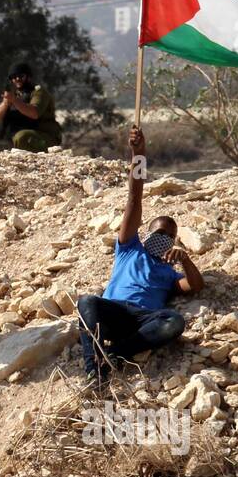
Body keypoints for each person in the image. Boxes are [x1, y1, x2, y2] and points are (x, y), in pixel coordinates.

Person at [77, 125, 205, 383]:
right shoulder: (129, 248)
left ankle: (113, 354)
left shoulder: (169, 272)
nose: (162, 238)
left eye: (168, 235)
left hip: (143, 320)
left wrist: (185, 259)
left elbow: (195, 285)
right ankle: (93, 367)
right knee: (87, 302)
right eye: (157, 232)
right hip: (114, 311)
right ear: (145, 234)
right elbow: (134, 199)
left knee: (174, 321)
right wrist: (139, 155)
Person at [0, 62, 62, 152]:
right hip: (23, 136)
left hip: (45, 137)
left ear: (28, 77)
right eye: (14, 77)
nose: (17, 79)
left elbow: (34, 113)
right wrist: (6, 103)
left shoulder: (38, 92)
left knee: (22, 137)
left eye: (21, 76)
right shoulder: (15, 94)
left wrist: (15, 101)